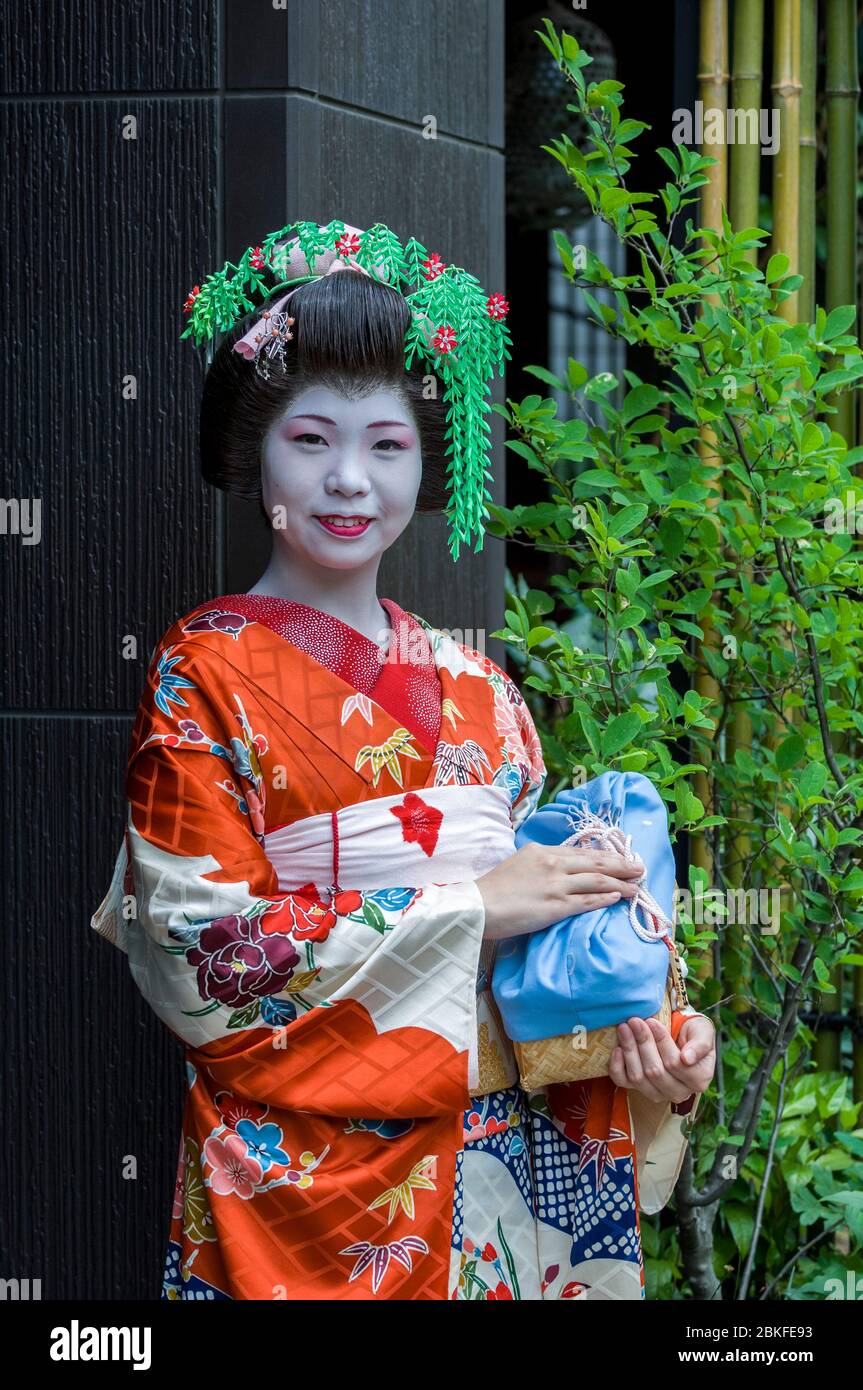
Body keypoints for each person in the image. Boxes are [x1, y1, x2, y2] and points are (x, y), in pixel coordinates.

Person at [92, 220, 716, 1301]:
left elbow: (550, 965)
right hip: (299, 1190)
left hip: (500, 1176)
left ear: (426, 464)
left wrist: (650, 1041)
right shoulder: (203, 674)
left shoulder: (480, 689)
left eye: (385, 445)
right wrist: (472, 909)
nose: (348, 480)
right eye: (310, 441)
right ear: (254, 455)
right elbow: (199, 951)